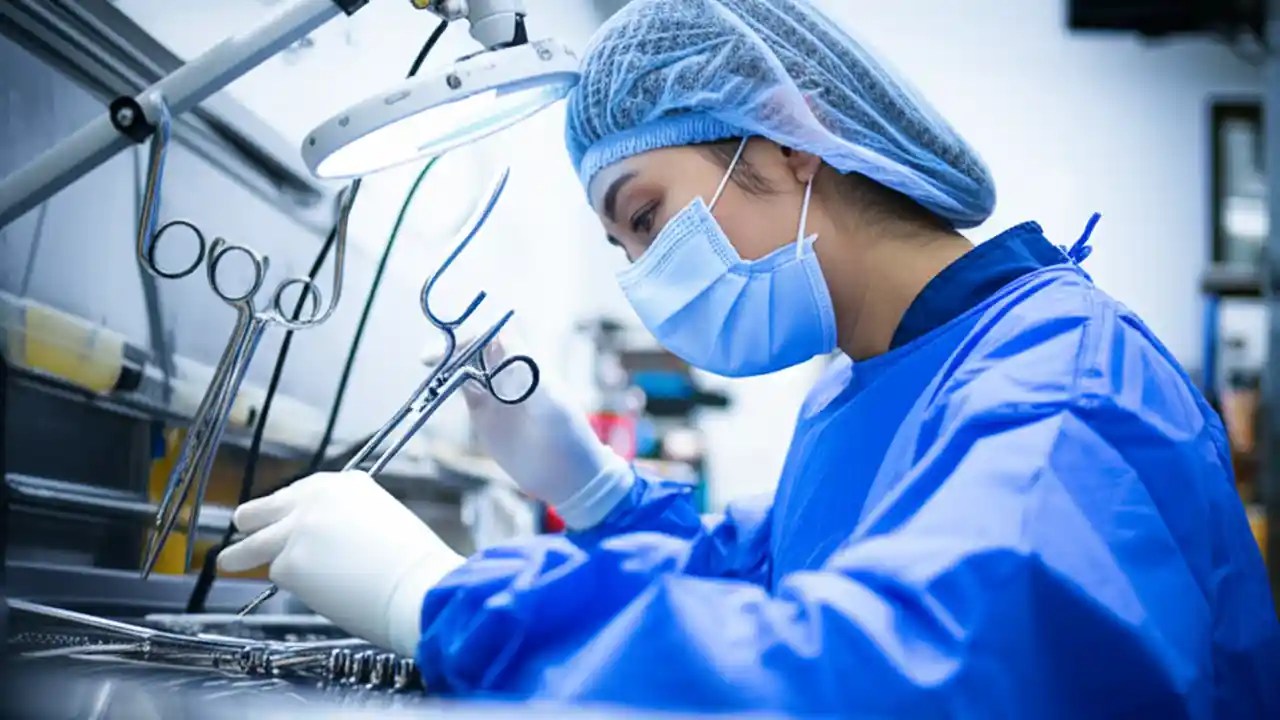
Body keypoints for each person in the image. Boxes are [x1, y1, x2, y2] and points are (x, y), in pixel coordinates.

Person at [219, 0, 1280, 715]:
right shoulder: (871, 387)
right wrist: (595, 491)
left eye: (645, 217)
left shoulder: (1063, 388)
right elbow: (760, 587)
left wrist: (436, 599)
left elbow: (882, 679)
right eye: (621, 247)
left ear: (782, 143)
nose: (643, 273)